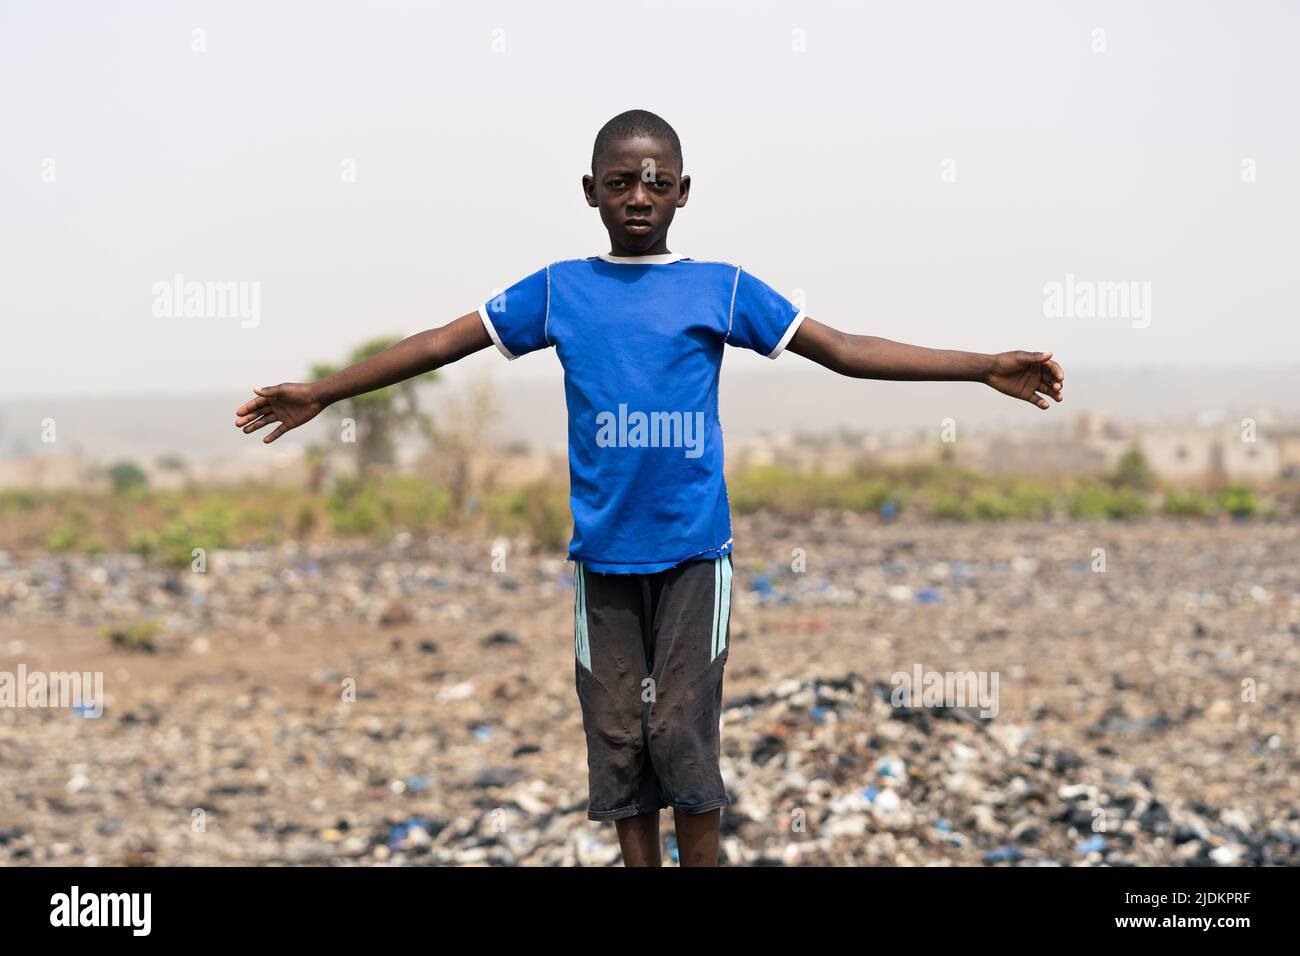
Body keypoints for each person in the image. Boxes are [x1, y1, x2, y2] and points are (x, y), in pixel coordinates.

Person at [234, 109, 1065, 867]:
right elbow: (442, 341)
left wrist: (983, 365)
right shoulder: (560, 289)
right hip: (603, 559)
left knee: (681, 736)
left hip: (693, 555)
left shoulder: (721, 288)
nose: (640, 195)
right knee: (619, 743)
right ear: (591, 190)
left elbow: (844, 348)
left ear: (684, 193)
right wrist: (324, 391)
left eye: (658, 182)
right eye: (623, 181)